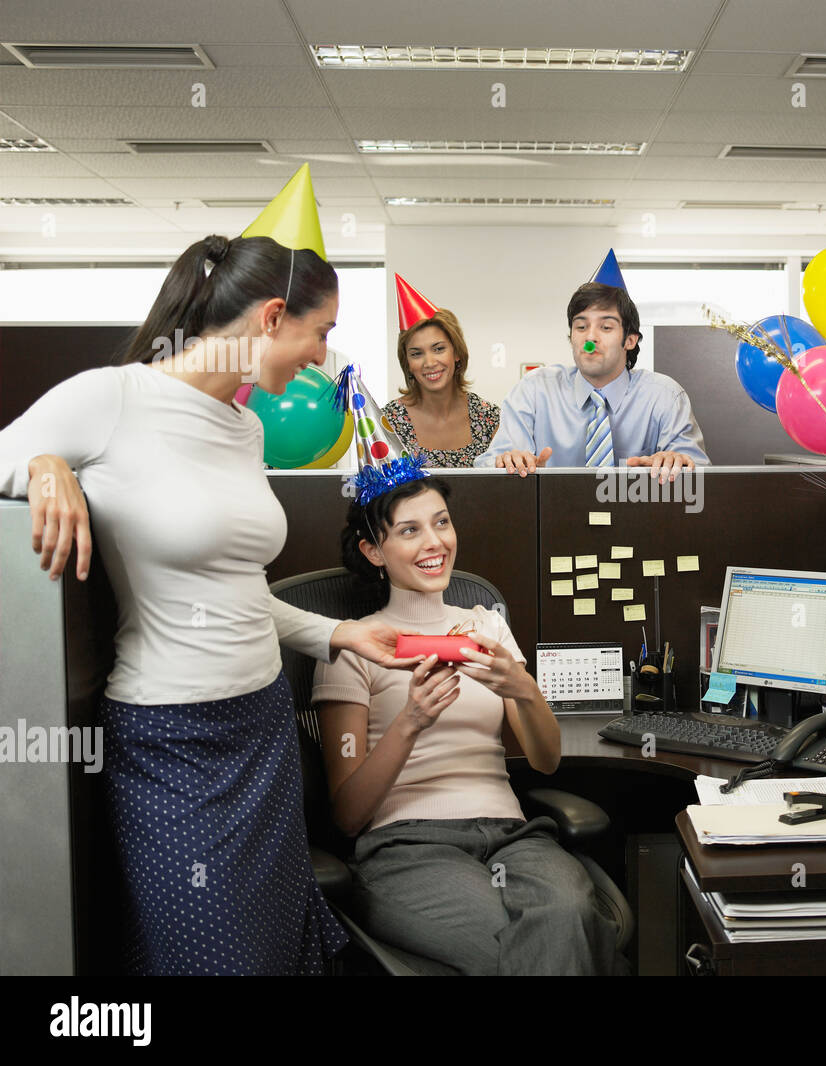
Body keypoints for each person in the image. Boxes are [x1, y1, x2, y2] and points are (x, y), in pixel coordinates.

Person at [0, 231, 417, 975]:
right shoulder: (113, 397)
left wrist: (339, 636)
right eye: (320, 333)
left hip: (262, 726)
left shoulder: (246, 426)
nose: (323, 357)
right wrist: (41, 463)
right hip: (171, 743)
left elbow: (236, 590)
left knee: (280, 953)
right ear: (271, 317)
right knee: (210, 956)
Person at [312, 471, 624, 975]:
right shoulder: (356, 645)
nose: (435, 542)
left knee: (568, 911)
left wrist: (521, 687)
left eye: (442, 523)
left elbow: (546, 761)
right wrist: (410, 722)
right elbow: (347, 815)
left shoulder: (486, 626)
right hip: (408, 845)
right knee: (524, 946)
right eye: (410, 530)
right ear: (374, 551)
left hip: (513, 836)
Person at [475, 281, 709, 479]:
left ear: (629, 340)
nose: (590, 337)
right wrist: (508, 462)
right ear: (571, 338)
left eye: (606, 327)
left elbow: (704, 478)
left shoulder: (664, 395)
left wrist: (677, 462)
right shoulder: (535, 390)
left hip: (640, 524)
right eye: (581, 326)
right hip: (551, 524)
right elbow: (490, 466)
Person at [382, 308, 500, 468]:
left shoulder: (489, 417)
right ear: (408, 364)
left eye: (438, 349)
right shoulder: (389, 421)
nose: (429, 363)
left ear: (456, 353)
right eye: (416, 354)